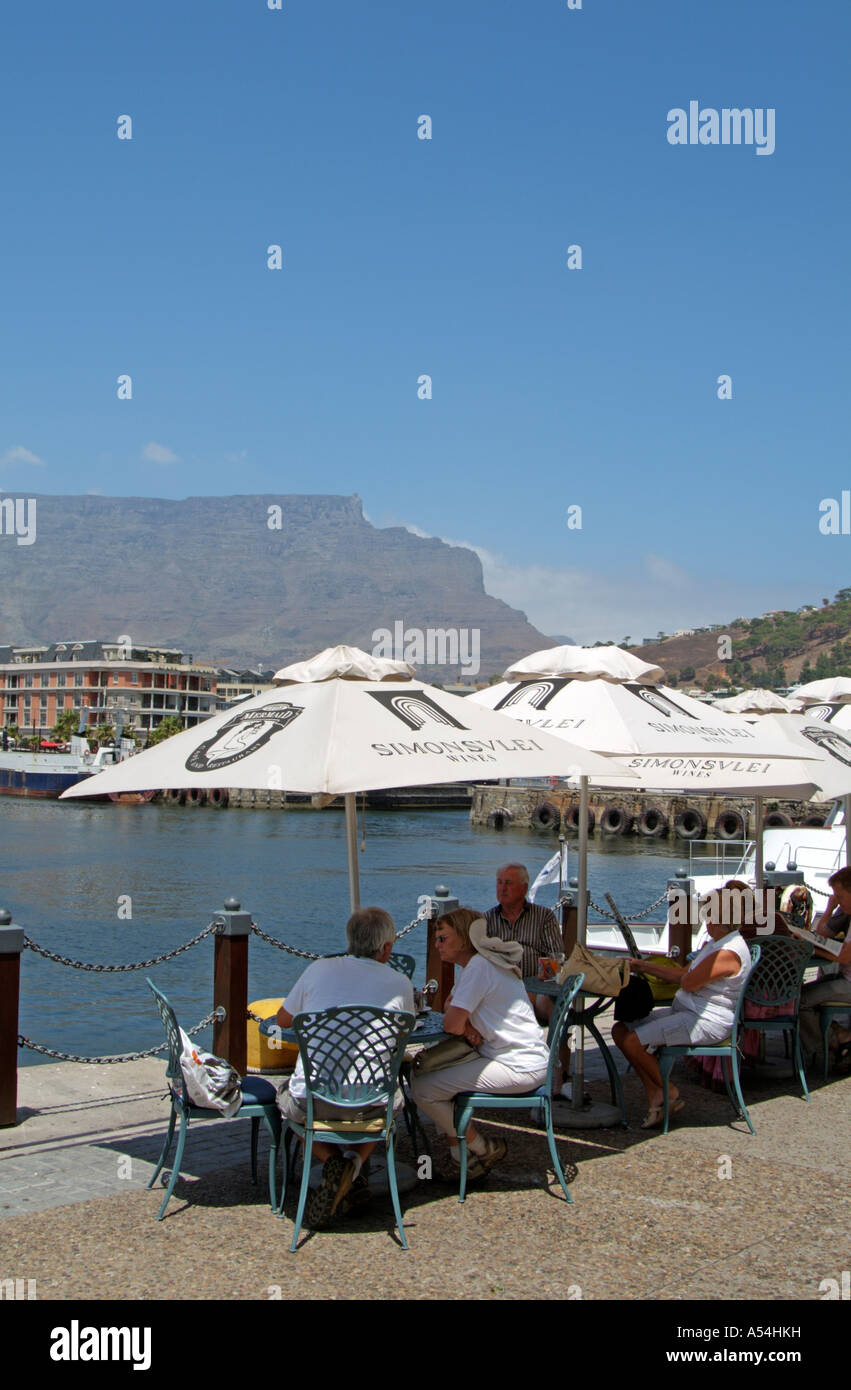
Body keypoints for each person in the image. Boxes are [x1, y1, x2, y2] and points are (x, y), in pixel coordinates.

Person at [275, 906, 415, 1228]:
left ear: (349, 940)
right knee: (393, 1101)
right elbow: (404, 1033)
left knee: (285, 1101)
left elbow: (284, 1020)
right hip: (371, 1106)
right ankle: (353, 1164)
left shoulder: (318, 969)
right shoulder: (400, 982)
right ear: (387, 948)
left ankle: (333, 1162)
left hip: (313, 1103)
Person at [410, 908, 550, 1179]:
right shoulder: (484, 963)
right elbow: (453, 1006)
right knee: (432, 1075)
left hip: (517, 1065)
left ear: (463, 938)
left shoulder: (478, 968)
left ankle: (481, 1148)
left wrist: (463, 1023)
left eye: (443, 938)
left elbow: (450, 1024)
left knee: (423, 1088)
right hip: (517, 1056)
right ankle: (462, 1159)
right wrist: (470, 1024)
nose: (436, 944)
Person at [611, 882, 755, 1128]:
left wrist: (678, 974)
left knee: (634, 1041)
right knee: (619, 1030)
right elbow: (682, 975)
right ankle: (656, 1093)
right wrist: (641, 965)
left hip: (708, 1020)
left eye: (708, 914)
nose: (705, 920)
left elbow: (688, 982)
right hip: (688, 1011)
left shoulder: (728, 953)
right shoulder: (714, 945)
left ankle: (668, 1091)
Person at [484, 862, 578, 1096]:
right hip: (501, 990)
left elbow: (556, 960)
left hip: (537, 989)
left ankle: (558, 1075)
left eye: (508, 883)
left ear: (524, 888)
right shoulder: (486, 920)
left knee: (556, 1009)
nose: (502, 888)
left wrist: (533, 985)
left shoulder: (543, 916)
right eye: (499, 883)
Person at [797, 867, 851, 1068]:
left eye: (840, 896)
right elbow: (823, 933)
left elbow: (845, 955)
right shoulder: (847, 913)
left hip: (849, 983)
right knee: (800, 993)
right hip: (844, 978)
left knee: (799, 1001)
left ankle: (830, 1045)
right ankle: (841, 1035)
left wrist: (814, 951)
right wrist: (830, 908)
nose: (837, 899)